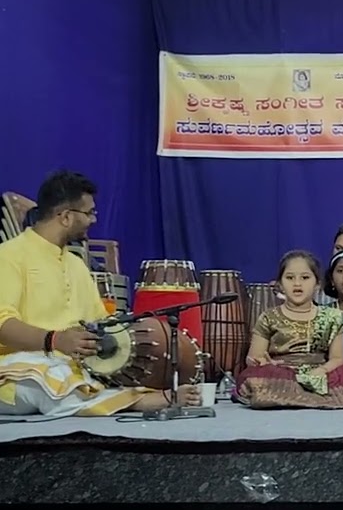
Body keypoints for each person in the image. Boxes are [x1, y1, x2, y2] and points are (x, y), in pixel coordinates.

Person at [0, 171, 203, 417]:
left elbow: (100, 323)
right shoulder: (9, 256)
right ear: (65, 217)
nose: (94, 220)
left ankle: (123, 396)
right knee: (47, 376)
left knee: (77, 376)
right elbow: (3, 323)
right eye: (89, 213)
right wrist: (55, 340)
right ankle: (135, 402)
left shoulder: (76, 265)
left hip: (76, 370)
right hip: (13, 372)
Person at [235, 250, 343, 408]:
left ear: (317, 284)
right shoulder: (268, 317)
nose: (297, 283)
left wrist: (321, 371)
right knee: (258, 378)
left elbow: (337, 358)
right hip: (280, 373)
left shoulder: (332, 316)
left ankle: (298, 395)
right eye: (290, 278)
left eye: (305, 278)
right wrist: (263, 363)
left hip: (321, 374)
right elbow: (254, 357)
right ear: (279, 284)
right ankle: (303, 394)